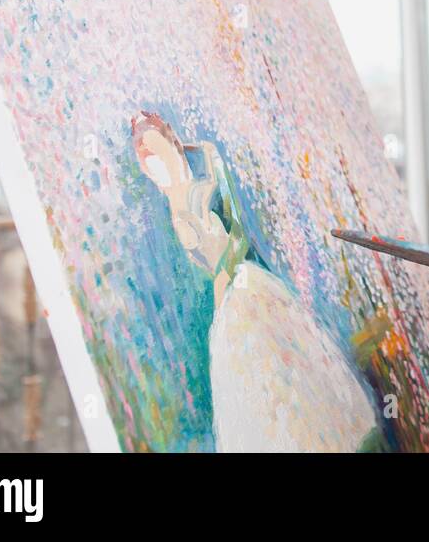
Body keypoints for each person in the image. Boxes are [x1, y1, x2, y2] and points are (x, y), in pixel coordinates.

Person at [130, 110, 384, 451]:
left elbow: (226, 198)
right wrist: (228, 294)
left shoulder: (199, 183)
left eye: (161, 147)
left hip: (249, 282)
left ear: (172, 143)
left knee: (297, 372)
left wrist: (192, 148)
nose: (159, 159)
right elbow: (219, 260)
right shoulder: (180, 208)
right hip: (235, 292)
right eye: (151, 157)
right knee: (267, 389)